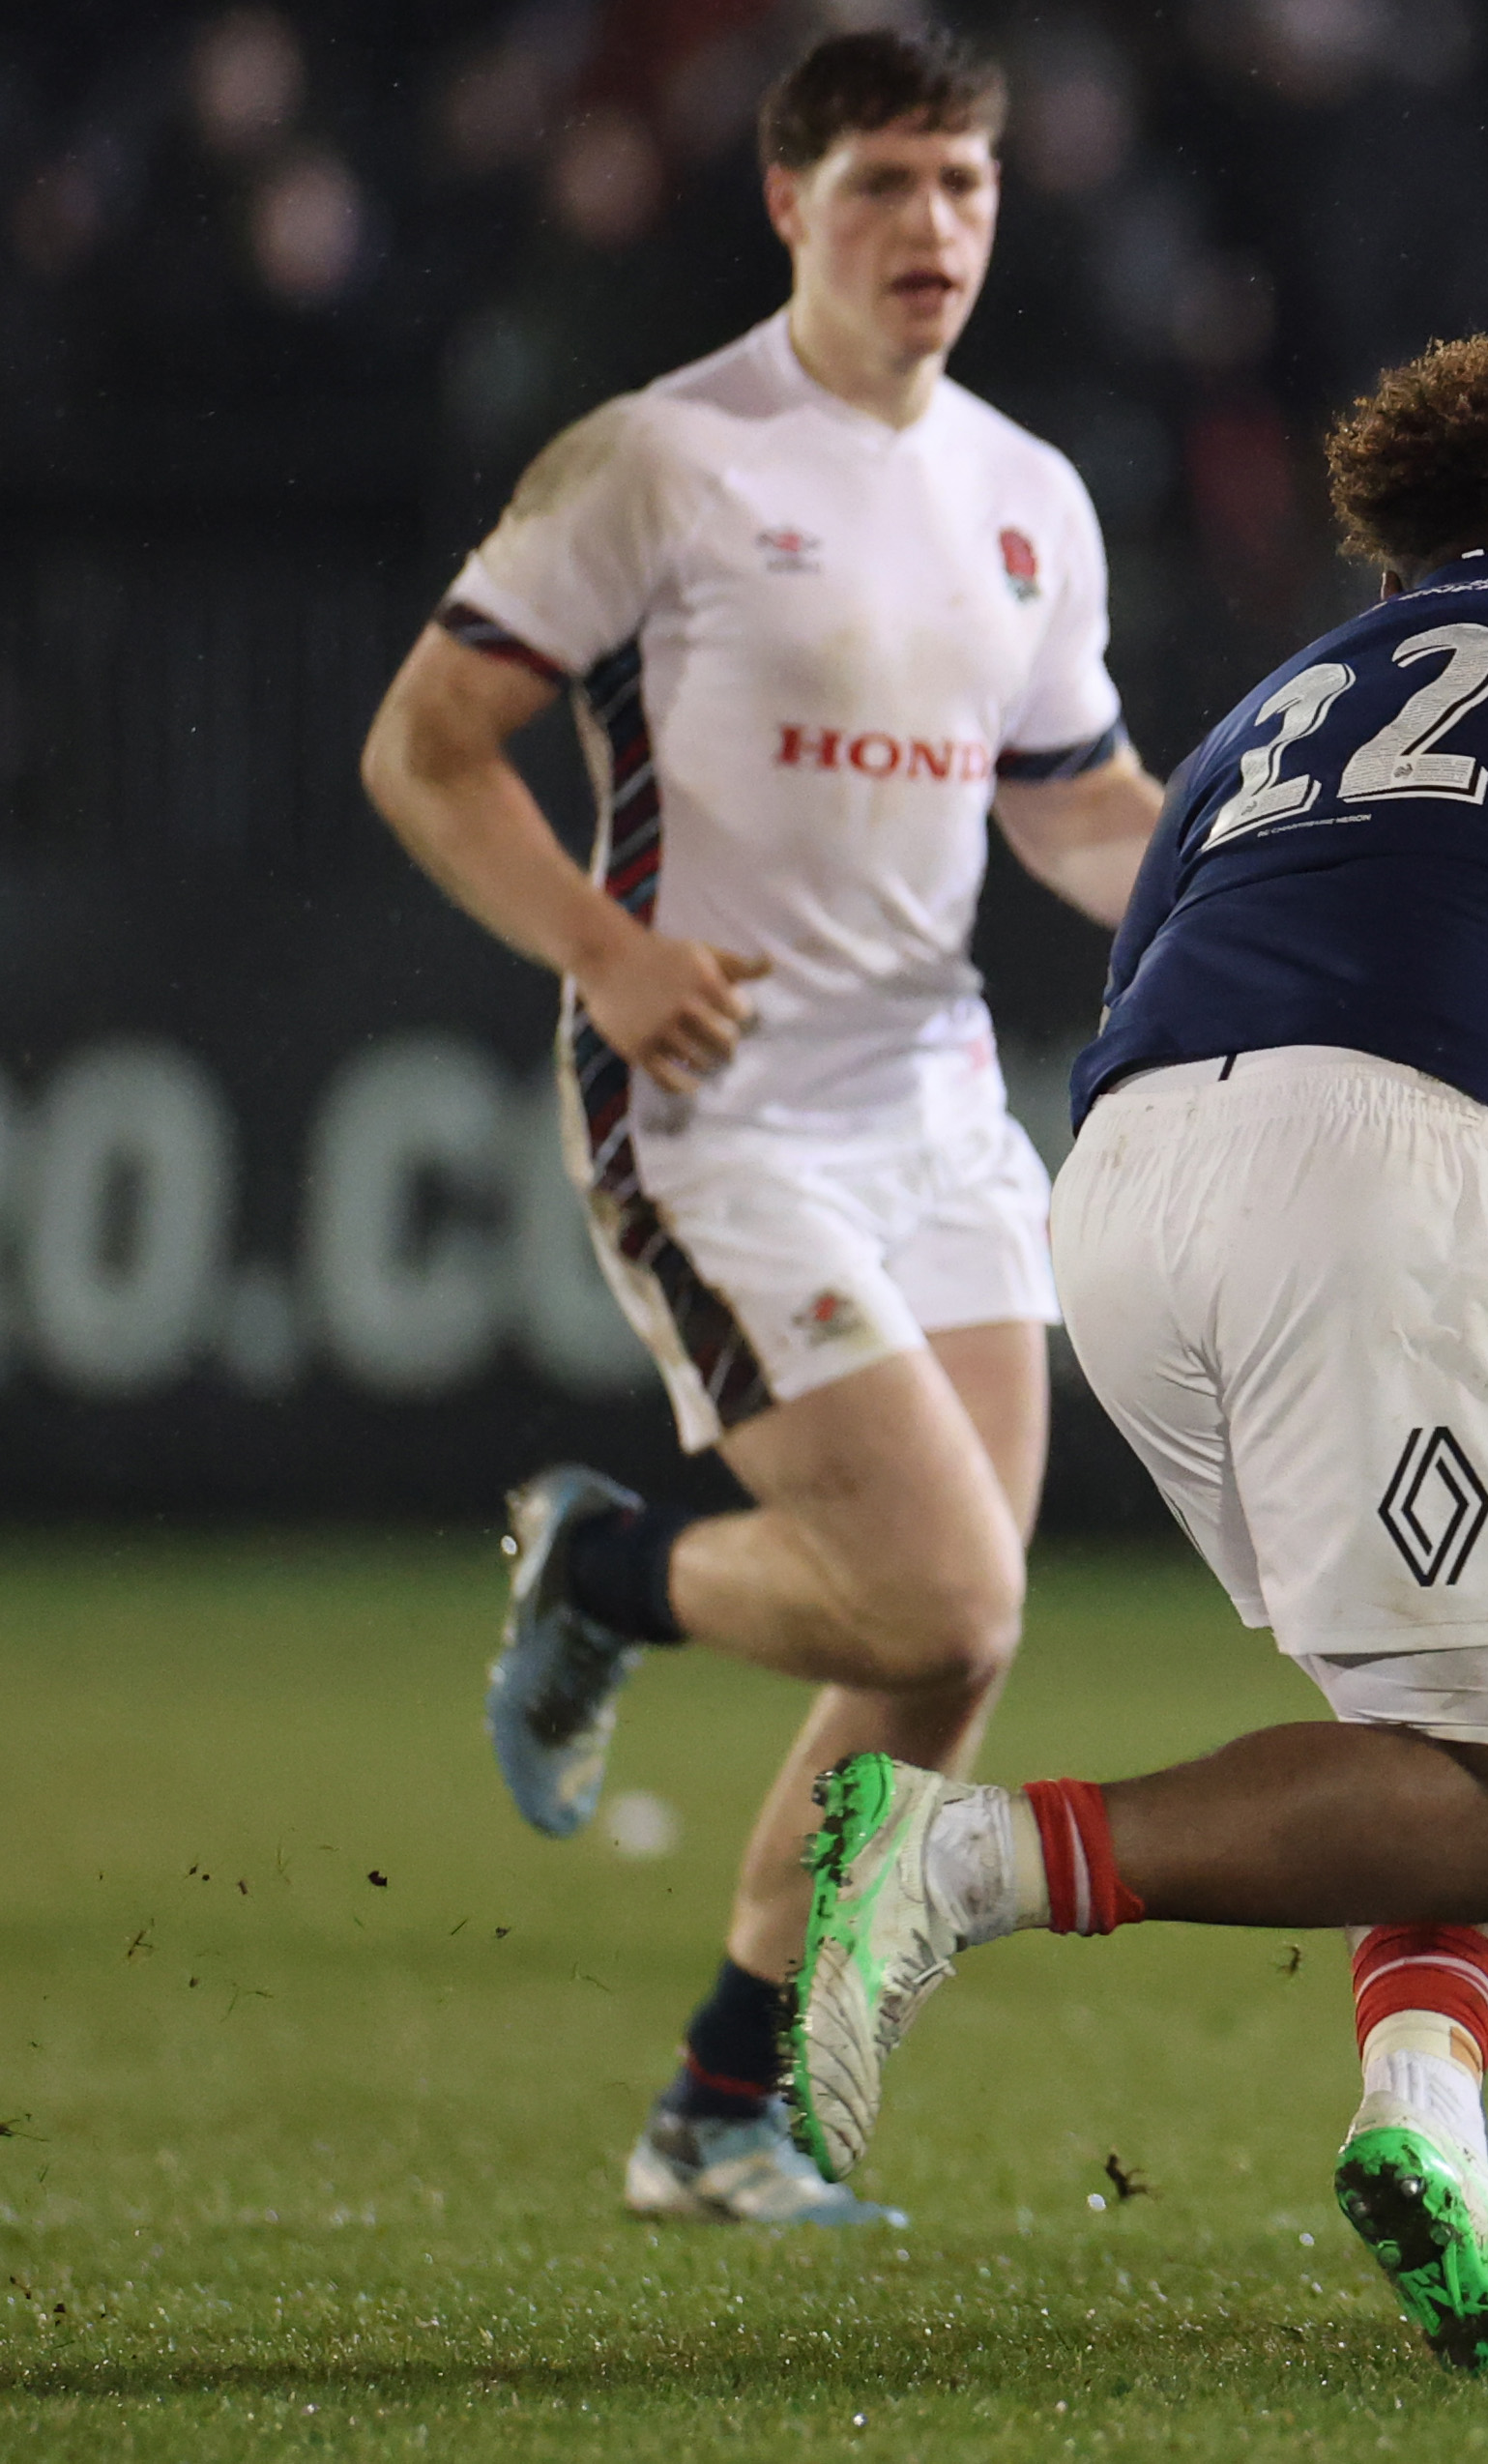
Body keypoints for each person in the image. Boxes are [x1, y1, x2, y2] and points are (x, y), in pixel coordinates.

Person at [778, 333, 1488, 2375]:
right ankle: (955, 1858)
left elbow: (1154, 966)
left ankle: (1432, 2136)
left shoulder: (1261, 714)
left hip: (1122, 1192)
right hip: (1381, 1172)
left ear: (1388, 581)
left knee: (1429, 1733)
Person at [356, 28, 1161, 2229]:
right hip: (710, 1101)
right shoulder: (666, 457)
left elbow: (1074, 800)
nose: (935, 230)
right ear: (789, 203)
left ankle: (717, 2108)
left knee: (954, 1641)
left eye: (967, 188)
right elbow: (426, 748)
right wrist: (601, 959)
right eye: (889, 184)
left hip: (930, 1097)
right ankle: (602, 1566)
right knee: (936, 1580)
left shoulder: (1026, 492)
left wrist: (1243, 890)